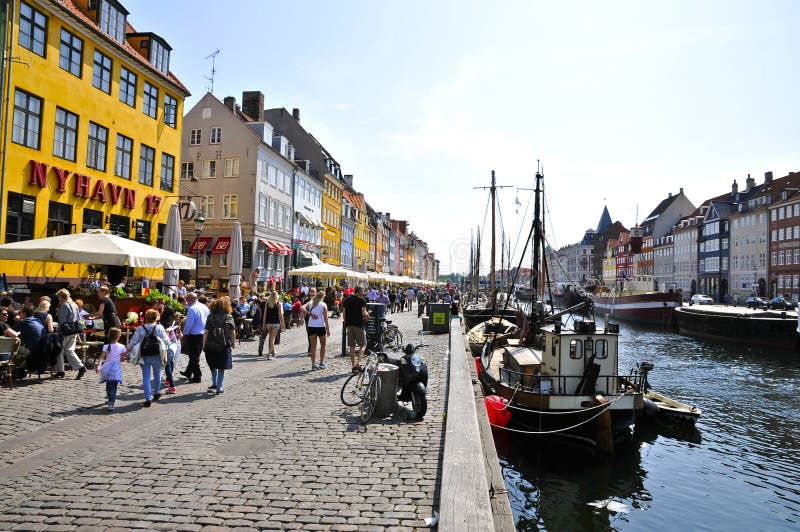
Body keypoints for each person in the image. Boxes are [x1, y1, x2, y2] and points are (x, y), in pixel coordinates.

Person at [127, 309, 170, 407]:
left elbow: (133, 342)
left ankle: (147, 398)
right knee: (157, 374)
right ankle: (157, 392)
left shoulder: (140, 328)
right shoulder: (159, 328)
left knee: (146, 377)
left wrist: (126, 350)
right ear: (156, 317)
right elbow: (166, 341)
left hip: (145, 355)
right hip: (157, 354)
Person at [204, 296, 236, 394]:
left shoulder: (210, 316)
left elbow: (206, 332)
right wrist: (233, 342)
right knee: (222, 367)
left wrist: (203, 345)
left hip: (211, 343)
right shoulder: (228, 316)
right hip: (224, 343)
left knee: (213, 364)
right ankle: (219, 387)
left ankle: (214, 383)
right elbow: (232, 332)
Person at [55, 288, 86, 380]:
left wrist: (58, 329)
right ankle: (80, 367)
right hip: (74, 330)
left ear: (61, 297)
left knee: (59, 350)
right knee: (69, 350)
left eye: (59, 298)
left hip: (65, 331)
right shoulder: (74, 305)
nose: (58, 300)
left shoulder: (65, 305)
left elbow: (62, 320)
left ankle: (61, 371)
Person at [180, 292, 210, 383]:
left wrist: (184, 334)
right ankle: (188, 372)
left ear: (190, 299)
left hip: (194, 335)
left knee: (193, 356)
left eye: (187, 299)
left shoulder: (192, 309)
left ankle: (197, 376)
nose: (186, 301)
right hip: (203, 334)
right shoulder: (204, 306)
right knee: (195, 355)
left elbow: (189, 325)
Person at [96, 328, 125, 412]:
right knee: (113, 386)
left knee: (108, 385)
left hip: (107, 367)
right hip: (115, 369)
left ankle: (109, 398)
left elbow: (101, 357)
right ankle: (111, 403)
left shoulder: (106, 346)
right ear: (119, 336)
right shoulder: (122, 347)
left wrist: (99, 365)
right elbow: (122, 359)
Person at [343, 286, 370, 374]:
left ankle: (353, 365)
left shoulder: (346, 300)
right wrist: (367, 315)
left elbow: (344, 314)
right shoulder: (362, 300)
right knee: (363, 345)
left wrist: (347, 322)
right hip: (358, 324)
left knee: (352, 346)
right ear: (360, 291)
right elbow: (363, 313)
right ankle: (359, 363)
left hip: (349, 325)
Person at [302, 291, 331, 370]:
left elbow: (302, 308)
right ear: (323, 297)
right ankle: (321, 363)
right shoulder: (323, 305)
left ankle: (313, 364)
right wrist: (328, 329)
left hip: (311, 326)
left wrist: (310, 314)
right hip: (321, 326)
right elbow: (325, 318)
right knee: (323, 346)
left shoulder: (310, 303)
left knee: (313, 347)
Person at [157, 299, 180, 394]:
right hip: (173, 345)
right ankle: (167, 381)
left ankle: (172, 386)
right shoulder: (175, 322)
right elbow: (178, 334)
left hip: (164, 346)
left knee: (167, 365)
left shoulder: (160, 323)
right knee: (170, 363)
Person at [253, 288, 284, 359]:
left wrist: (263, 324)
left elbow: (264, 315)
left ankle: (273, 352)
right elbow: (280, 315)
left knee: (270, 338)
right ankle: (269, 354)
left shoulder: (267, 303)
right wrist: (282, 323)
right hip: (276, 323)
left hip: (268, 323)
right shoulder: (278, 304)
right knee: (272, 339)